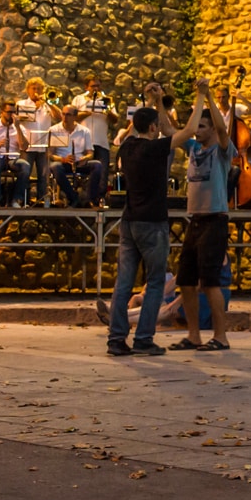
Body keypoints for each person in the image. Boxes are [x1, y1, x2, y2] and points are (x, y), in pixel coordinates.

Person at [106, 84, 177, 356]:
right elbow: (182, 132)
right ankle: (144, 338)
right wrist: (161, 102)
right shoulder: (156, 149)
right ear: (152, 129)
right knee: (156, 281)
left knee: (123, 281)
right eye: (156, 126)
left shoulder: (126, 147)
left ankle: (116, 339)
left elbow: (142, 130)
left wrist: (155, 102)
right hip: (153, 222)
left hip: (129, 220)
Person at [170, 77, 236, 351]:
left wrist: (207, 96)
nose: (197, 130)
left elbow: (223, 130)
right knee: (185, 280)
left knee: (210, 283)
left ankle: (220, 337)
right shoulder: (194, 148)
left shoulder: (222, 151)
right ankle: (194, 335)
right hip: (195, 220)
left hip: (215, 220)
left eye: (202, 126)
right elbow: (168, 130)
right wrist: (159, 102)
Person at [47, 106, 105, 207]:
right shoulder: (54, 130)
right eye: (63, 114)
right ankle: (73, 197)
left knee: (97, 165)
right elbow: (50, 154)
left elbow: (90, 153)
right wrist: (63, 159)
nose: (65, 117)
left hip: (79, 162)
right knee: (55, 166)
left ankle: (89, 199)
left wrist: (84, 158)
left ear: (75, 116)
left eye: (68, 115)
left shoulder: (84, 131)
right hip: (63, 162)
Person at [16, 77, 59, 206]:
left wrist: (48, 103)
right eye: (33, 88)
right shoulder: (21, 104)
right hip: (27, 145)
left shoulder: (47, 105)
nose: (36, 91)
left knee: (44, 175)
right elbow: (19, 120)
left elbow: (59, 116)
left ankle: (42, 201)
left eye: (39, 89)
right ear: (28, 90)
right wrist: (34, 108)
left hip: (44, 145)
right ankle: (24, 200)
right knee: (25, 174)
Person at [70, 75, 115, 176]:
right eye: (93, 86)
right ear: (86, 87)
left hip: (101, 142)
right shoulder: (78, 99)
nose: (96, 89)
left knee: (102, 175)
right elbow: (72, 117)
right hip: (82, 143)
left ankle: (101, 192)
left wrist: (107, 112)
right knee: (82, 173)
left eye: (98, 86)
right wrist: (89, 111)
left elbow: (115, 120)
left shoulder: (106, 100)